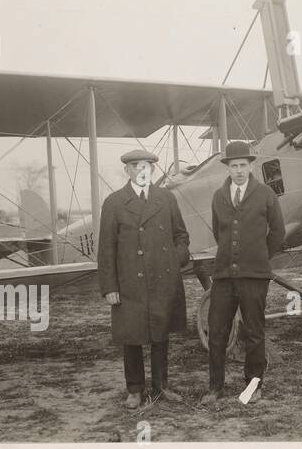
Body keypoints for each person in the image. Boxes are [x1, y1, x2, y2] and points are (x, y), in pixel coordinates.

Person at [97, 148, 190, 409]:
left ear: (153, 170)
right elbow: (106, 249)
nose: (142, 170)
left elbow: (181, 237)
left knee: (161, 333)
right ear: (127, 171)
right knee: (132, 335)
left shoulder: (166, 198)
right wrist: (109, 286)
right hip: (129, 281)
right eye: (136, 166)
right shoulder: (114, 203)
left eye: (147, 166)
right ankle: (135, 389)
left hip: (162, 277)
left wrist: (174, 259)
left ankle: (162, 385)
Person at [199, 140, 284, 405]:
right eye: (233, 166)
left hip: (254, 276)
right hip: (224, 275)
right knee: (217, 331)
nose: (238, 170)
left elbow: (278, 233)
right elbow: (218, 232)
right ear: (228, 168)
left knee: (254, 332)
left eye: (243, 165)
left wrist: (258, 257)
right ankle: (215, 388)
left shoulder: (266, 194)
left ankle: (253, 387)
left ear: (251, 166)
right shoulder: (218, 196)